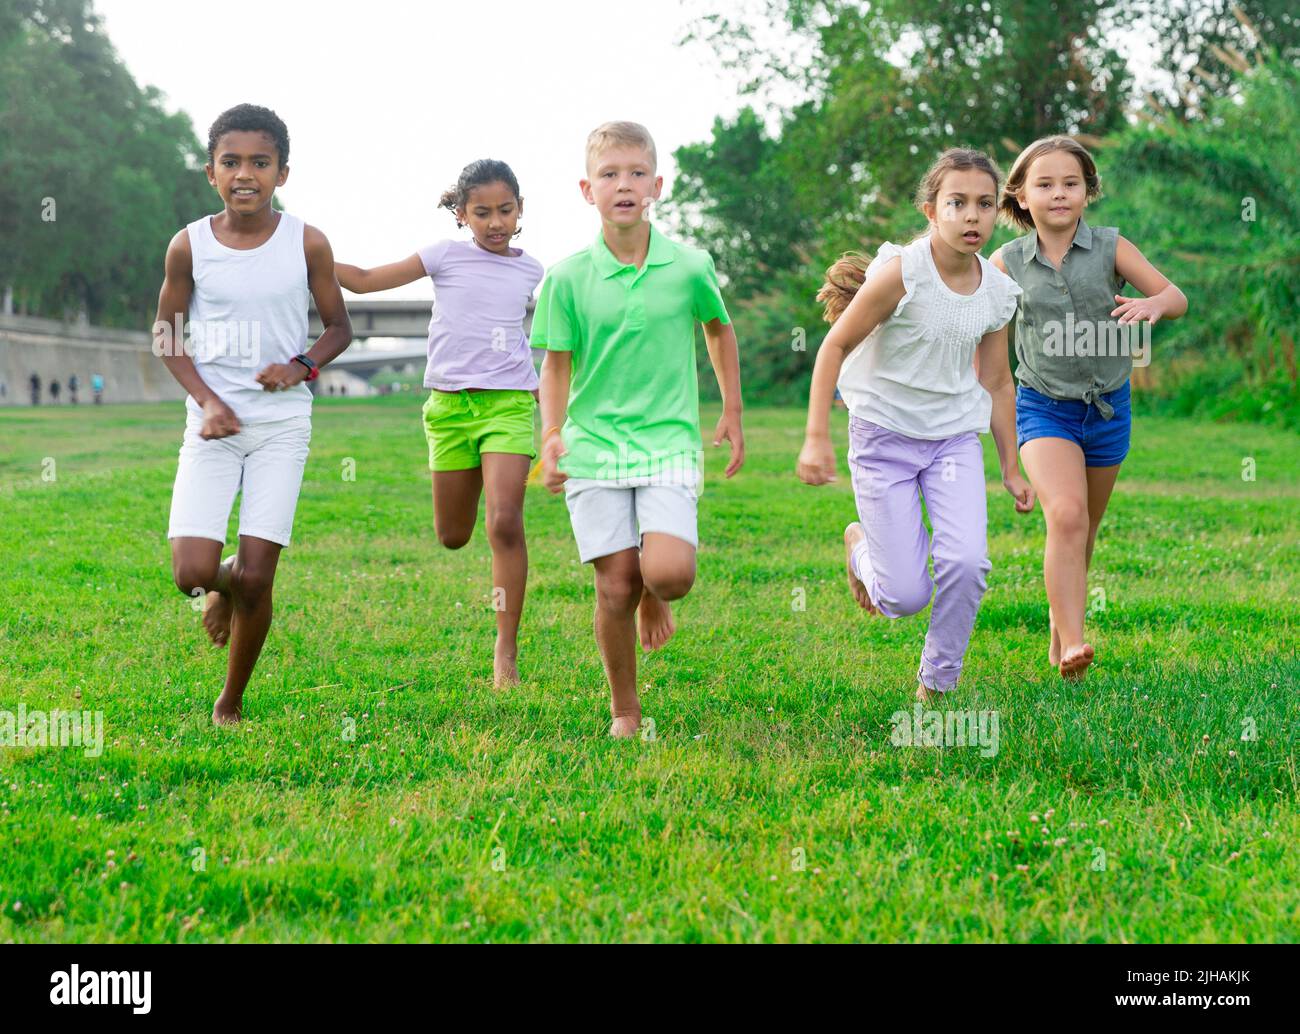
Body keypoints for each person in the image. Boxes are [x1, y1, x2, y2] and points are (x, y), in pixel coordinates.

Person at [797, 148, 1035, 703]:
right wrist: (815, 436)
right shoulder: (903, 272)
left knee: (968, 562)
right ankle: (860, 548)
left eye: (983, 204)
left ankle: (937, 680)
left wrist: (1011, 467)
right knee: (904, 597)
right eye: (957, 203)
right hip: (882, 438)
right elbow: (834, 346)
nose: (972, 216)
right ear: (932, 211)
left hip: (952, 440)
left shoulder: (999, 294)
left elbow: (1000, 383)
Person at [533, 121, 744, 737]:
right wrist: (551, 433)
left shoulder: (690, 265)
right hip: (593, 448)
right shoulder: (567, 277)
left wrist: (731, 408)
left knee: (670, 574)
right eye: (608, 174)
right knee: (616, 582)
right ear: (586, 188)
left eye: (634, 173)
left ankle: (656, 590)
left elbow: (719, 329)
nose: (623, 185)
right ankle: (625, 709)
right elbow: (555, 364)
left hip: (668, 443)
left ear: (657, 183)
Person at [156, 103, 352, 724]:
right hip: (212, 427)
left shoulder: (308, 242)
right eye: (231, 162)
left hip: (282, 427)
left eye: (260, 163)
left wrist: (299, 366)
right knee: (190, 573)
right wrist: (207, 400)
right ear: (210, 171)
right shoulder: (188, 245)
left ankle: (230, 702)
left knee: (260, 578)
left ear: (282, 173)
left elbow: (338, 328)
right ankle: (223, 584)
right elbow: (167, 335)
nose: (246, 174)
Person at [336, 160, 543, 688]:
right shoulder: (443, 256)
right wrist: (304, 251)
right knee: (453, 536)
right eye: (482, 212)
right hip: (449, 411)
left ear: (520, 209)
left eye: (505, 210)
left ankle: (506, 650)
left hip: (509, 406)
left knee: (504, 522)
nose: (495, 222)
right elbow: (361, 282)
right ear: (461, 213)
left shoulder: (533, 271)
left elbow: (563, 334)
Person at [992, 136, 1187, 679]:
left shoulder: (1111, 247)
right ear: (1022, 197)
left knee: (1084, 529)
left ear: (1087, 192)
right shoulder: (1005, 263)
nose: (1059, 194)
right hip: (1042, 407)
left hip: (1106, 410)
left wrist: (1154, 303)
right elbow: (975, 324)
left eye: (1071, 184)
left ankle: (1060, 637)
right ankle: (1075, 645)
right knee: (1067, 515)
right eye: (1045, 184)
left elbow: (1176, 297)